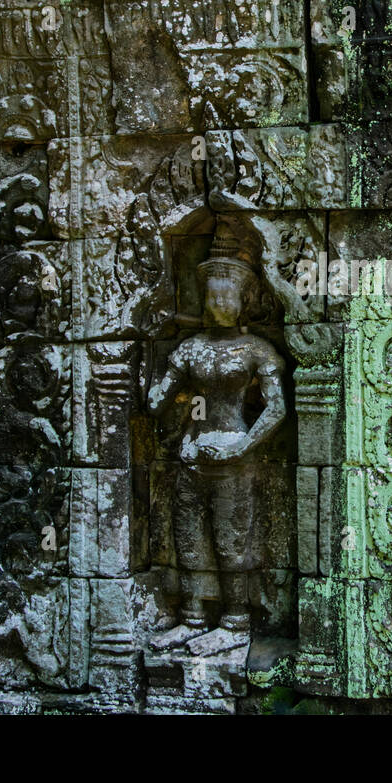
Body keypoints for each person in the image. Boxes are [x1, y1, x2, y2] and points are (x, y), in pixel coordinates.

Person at [147, 228, 286, 636]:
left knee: (231, 541)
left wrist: (241, 447)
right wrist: (147, 367)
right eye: (211, 296)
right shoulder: (190, 348)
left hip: (234, 455)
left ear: (244, 300)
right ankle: (191, 615)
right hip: (191, 454)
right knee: (187, 538)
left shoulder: (256, 350)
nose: (218, 304)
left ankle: (235, 617)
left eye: (226, 296)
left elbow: (276, 407)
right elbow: (156, 401)